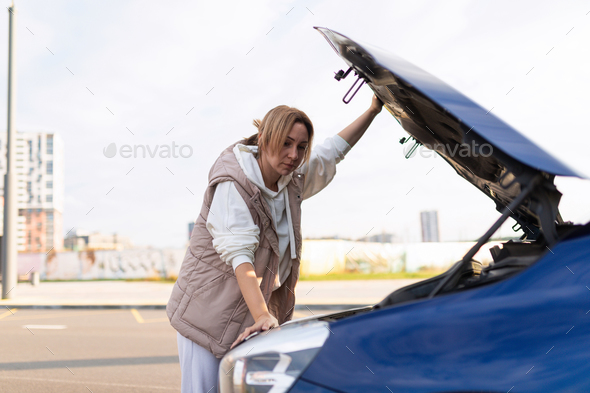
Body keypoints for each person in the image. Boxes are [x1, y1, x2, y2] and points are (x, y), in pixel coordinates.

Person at [167, 95, 383, 393]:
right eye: (286, 143)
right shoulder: (234, 185)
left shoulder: (290, 181)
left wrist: (373, 110)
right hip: (208, 314)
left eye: (301, 147)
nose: (294, 154)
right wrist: (263, 316)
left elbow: (333, 151)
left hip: (250, 316)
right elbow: (241, 261)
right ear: (266, 138)